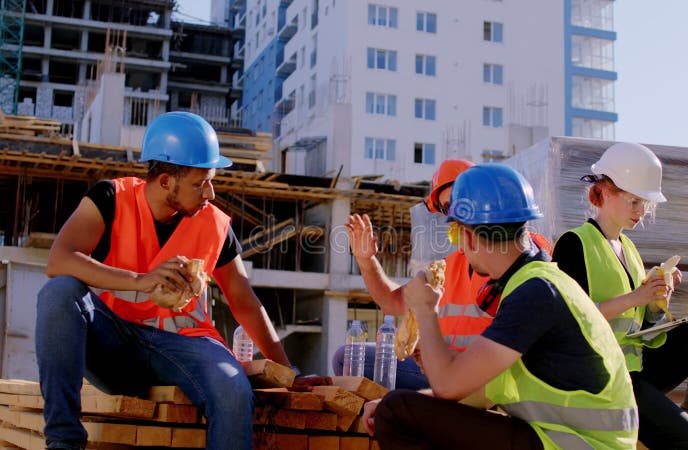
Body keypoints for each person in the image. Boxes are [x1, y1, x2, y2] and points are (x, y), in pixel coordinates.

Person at [36, 112, 292, 450]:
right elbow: (59, 259)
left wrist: (288, 371)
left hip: (186, 346)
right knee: (59, 291)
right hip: (117, 345)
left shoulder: (215, 225)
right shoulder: (111, 199)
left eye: (212, 180)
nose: (211, 193)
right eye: (200, 183)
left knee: (231, 387)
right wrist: (140, 280)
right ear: (166, 181)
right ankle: (64, 443)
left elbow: (244, 300)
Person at [365, 164, 639, 450]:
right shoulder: (539, 281)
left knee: (397, 412)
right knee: (399, 406)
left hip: (576, 444)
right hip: (571, 440)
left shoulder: (534, 293)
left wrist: (425, 310)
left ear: (468, 236)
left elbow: (448, 386)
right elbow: (483, 392)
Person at [551, 142, 688, 450]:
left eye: (646, 204)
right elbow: (569, 323)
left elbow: (639, 328)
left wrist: (656, 302)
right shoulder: (574, 244)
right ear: (605, 192)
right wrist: (636, 298)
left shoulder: (629, 250)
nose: (641, 212)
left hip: (637, 367)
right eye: (635, 201)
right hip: (602, 378)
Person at [335, 159, 552, 389]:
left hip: (482, 379)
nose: (455, 217)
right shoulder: (449, 265)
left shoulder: (528, 265)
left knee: (394, 407)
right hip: (447, 369)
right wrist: (366, 261)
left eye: (460, 204)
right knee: (345, 360)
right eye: (447, 208)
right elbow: (393, 302)